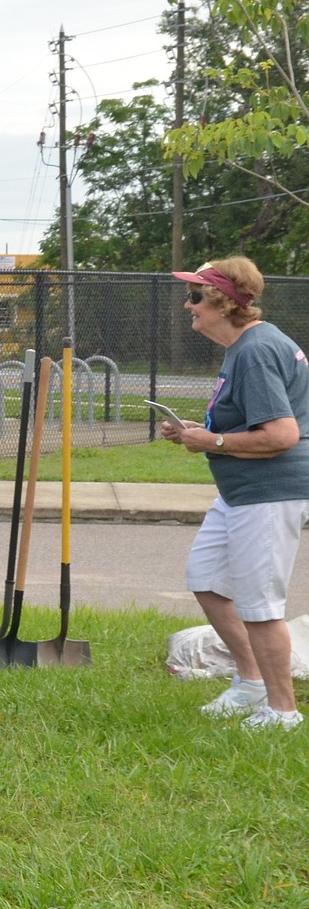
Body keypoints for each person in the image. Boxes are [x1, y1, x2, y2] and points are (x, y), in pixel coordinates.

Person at [164, 258, 309, 730]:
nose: (189, 305)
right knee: (206, 577)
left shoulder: (255, 350)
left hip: (268, 492)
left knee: (260, 604)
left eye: (196, 296)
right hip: (241, 491)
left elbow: (282, 434)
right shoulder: (245, 347)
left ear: (224, 301)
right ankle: (250, 683)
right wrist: (199, 432)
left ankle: (282, 711)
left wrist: (214, 442)